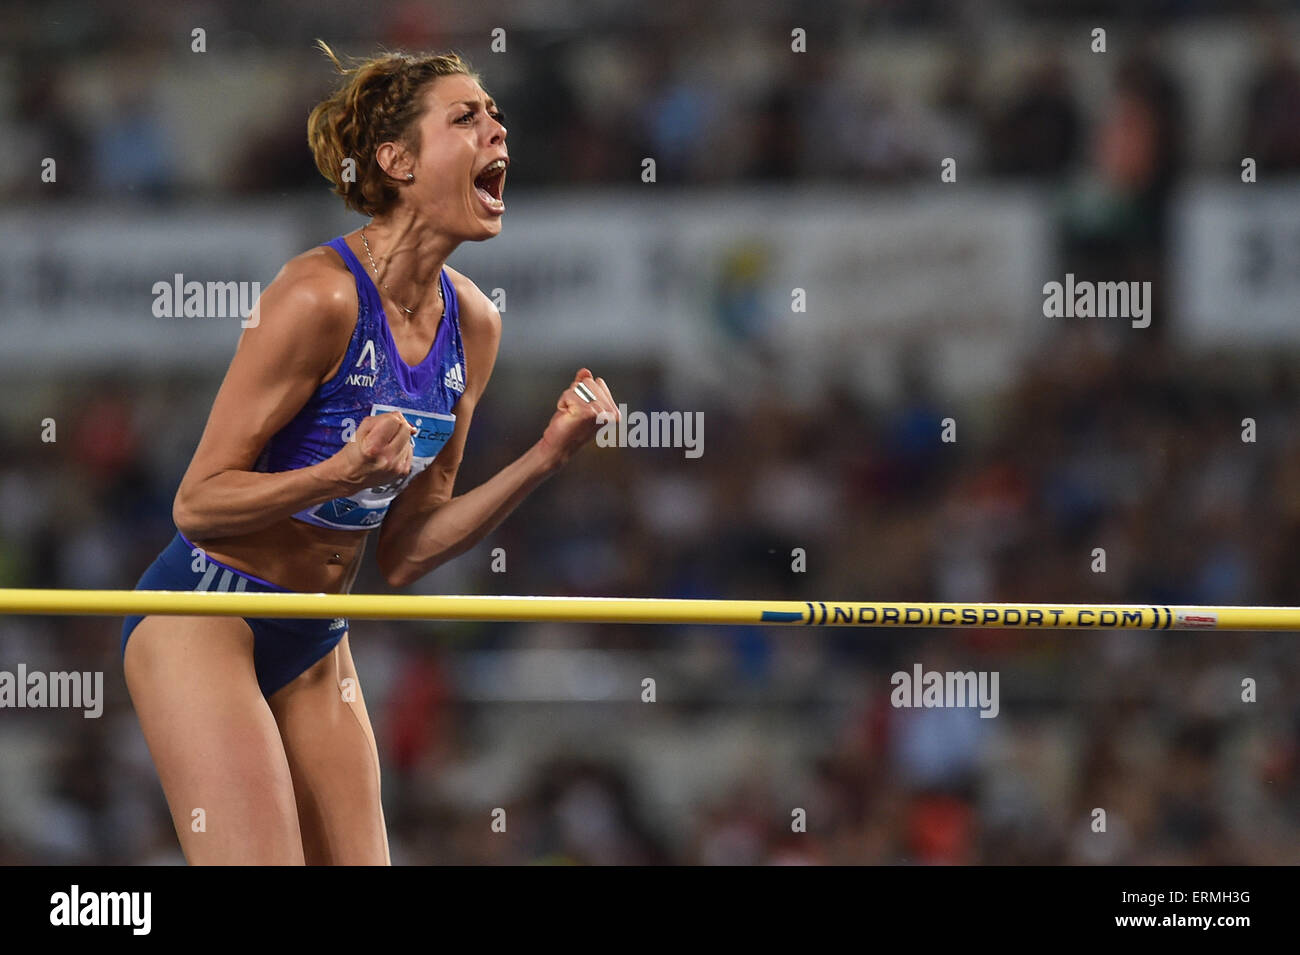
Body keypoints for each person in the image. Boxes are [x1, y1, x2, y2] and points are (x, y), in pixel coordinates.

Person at [120, 42, 618, 865]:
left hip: (317, 635)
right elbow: (197, 502)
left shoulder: (475, 326)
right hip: (202, 614)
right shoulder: (316, 296)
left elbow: (410, 548)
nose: (497, 129)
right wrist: (339, 473)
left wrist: (543, 458)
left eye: (496, 114)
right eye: (466, 116)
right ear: (397, 161)